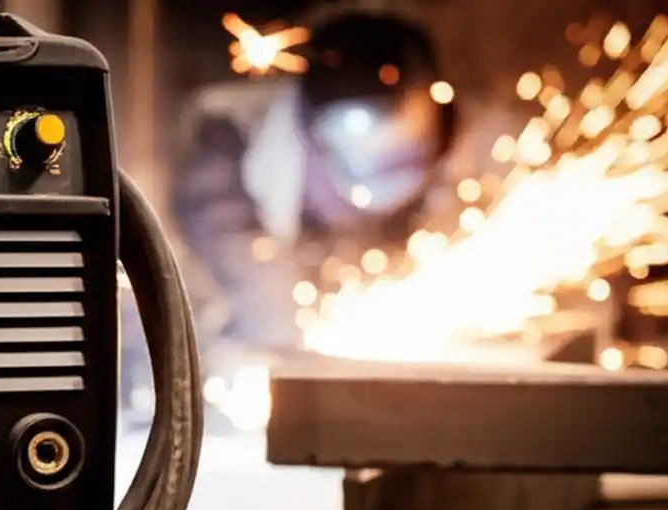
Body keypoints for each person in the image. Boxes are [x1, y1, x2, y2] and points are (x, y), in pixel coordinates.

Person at [170, 2, 455, 355]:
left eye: (404, 138)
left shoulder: (479, 154)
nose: (383, 157)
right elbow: (230, 241)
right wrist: (280, 330)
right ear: (312, 122)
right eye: (360, 130)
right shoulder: (231, 135)